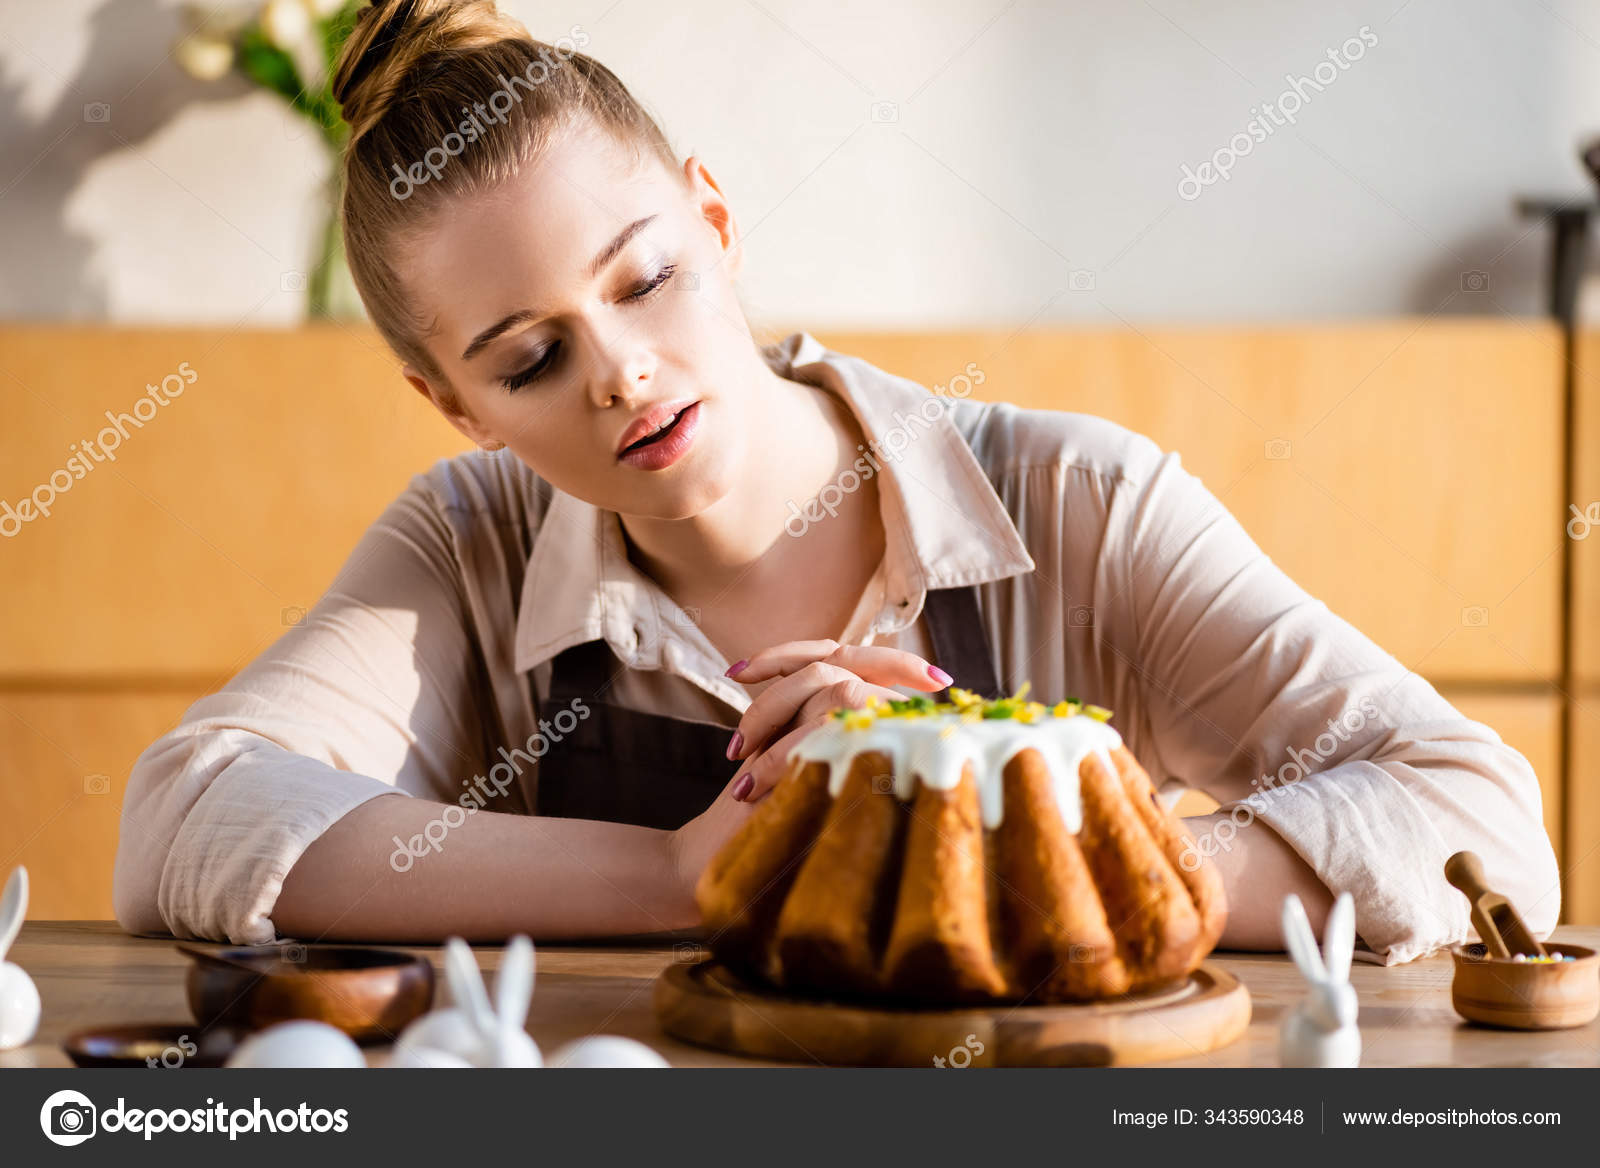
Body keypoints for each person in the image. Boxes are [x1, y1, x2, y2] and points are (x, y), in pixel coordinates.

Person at [113, 0, 1558, 966]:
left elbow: (1479, 827)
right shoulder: (469, 549)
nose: (620, 371)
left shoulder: (1074, 504)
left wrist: (1010, 818)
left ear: (717, 219)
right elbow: (192, 813)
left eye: (648, 278)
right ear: (451, 405)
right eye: (531, 357)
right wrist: (686, 879)